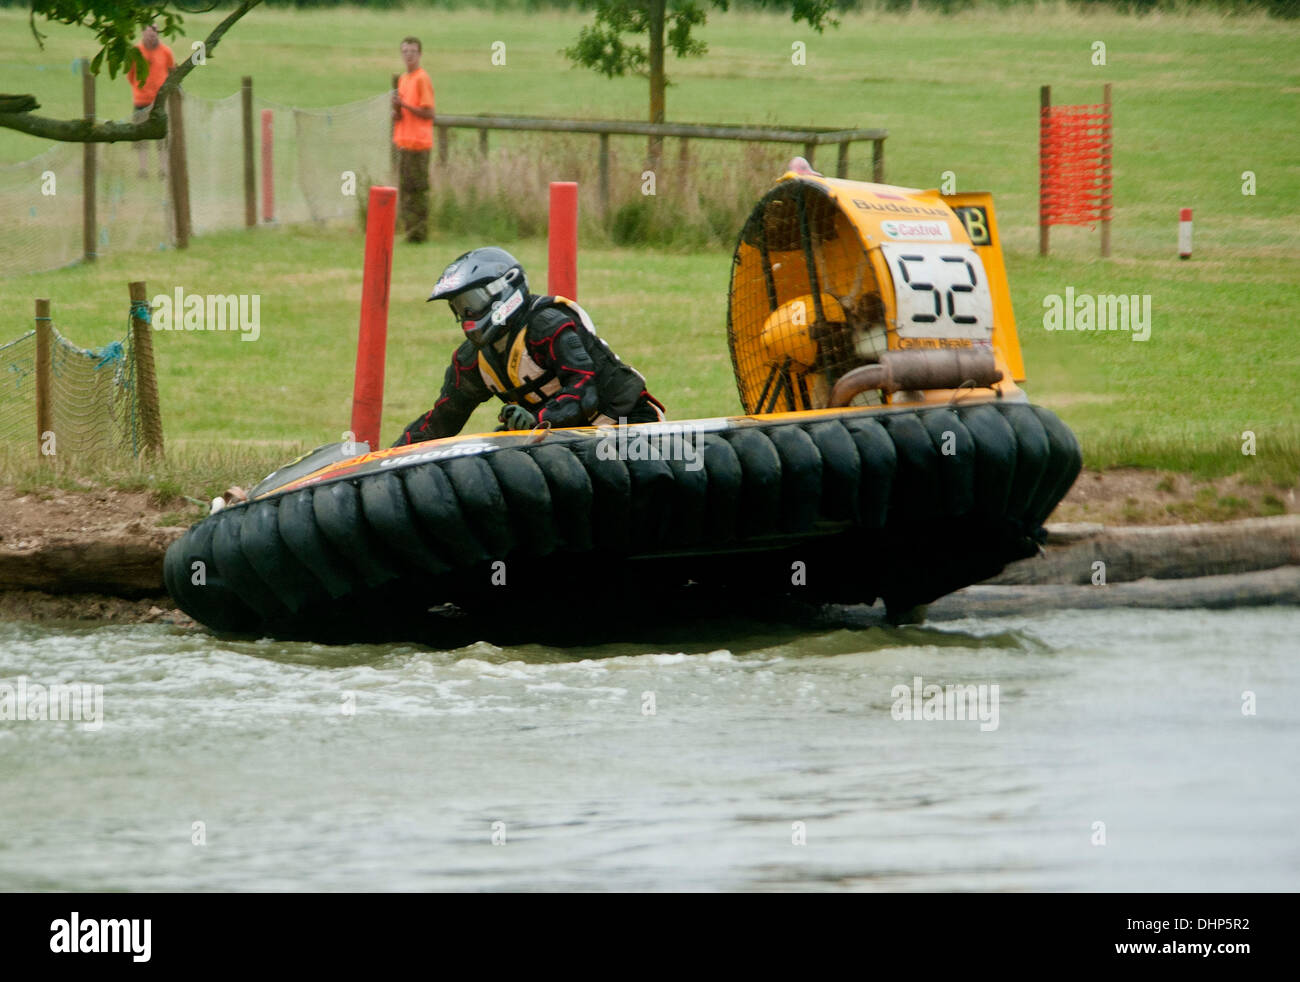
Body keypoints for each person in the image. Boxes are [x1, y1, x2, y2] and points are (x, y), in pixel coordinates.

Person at [393, 248, 665, 445]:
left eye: (471, 303)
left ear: (504, 289)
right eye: (459, 308)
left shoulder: (547, 326)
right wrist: (386, 460)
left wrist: (538, 420)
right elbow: (442, 421)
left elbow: (584, 392)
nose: (466, 316)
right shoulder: (471, 361)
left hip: (628, 422)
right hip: (566, 436)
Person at [392, 36, 435, 244]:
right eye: (405, 51)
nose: (409, 55)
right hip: (404, 141)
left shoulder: (421, 79)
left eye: (412, 51)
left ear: (420, 54)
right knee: (406, 190)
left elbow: (429, 113)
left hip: (419, 143)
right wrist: (397, 111)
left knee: (418, 190)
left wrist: (405, 106)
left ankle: (419, 232)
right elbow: (403, 112)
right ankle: (410, 231)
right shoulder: (403, 79)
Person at [127, 23, 175, 180]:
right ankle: (143, 169)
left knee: (162, 136)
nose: (151, 37)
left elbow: (171, 72)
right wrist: (140, 89)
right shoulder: (135, 52)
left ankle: (163, 169)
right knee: (141, 136)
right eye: (148, 34)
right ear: (142, 34)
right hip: (141, 100)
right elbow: (130, 75)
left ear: (158, 34)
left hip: (160, 101)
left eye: (154, 34)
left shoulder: (166, 52)